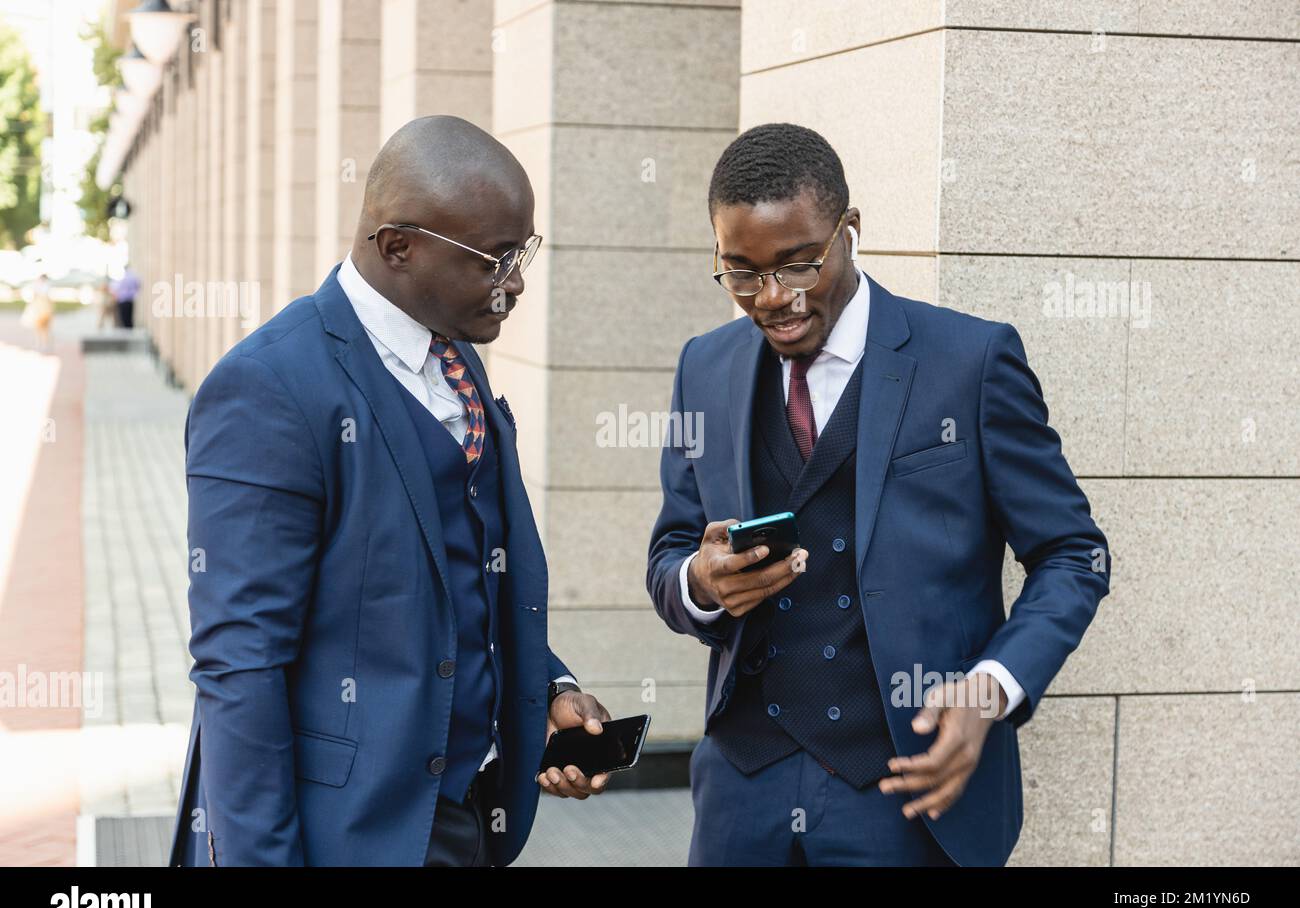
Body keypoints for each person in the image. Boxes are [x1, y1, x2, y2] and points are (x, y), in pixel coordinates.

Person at [646, 123, 1110, 866]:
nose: (773, 298)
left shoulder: (971, 360)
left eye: (798, 265)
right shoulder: (705, 366)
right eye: (741, 273)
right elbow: (671, 551)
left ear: (849, 232)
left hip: (904, 793)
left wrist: (988, 690)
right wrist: (700, 584)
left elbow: (1073, 556)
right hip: (741, 794)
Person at [169, 116, 612, 868]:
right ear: (398, 246)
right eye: (494, 259)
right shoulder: (269, 387)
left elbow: (458, 575)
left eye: (522, 252)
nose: (516, 282)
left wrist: (547, 688)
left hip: (464, 817)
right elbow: (240, 667)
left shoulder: (453, 358)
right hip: (344, 831)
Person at [21, 273, 54, 350]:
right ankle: (40, 342)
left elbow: (47, 297)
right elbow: (34, 295)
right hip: (39, 307)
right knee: (38, 326)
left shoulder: (46, 285)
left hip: (44, 307)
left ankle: (45, 343)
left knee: (45, 327)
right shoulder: (37, 285)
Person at [112, 264, 139, 328]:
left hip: (123, 300)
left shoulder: (122, 278)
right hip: (130, 300)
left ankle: (127, 332)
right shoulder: (133, 277)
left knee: (124, 318)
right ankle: (130, 331)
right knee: (129, 318)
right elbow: (138, 286)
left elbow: (116, 288)